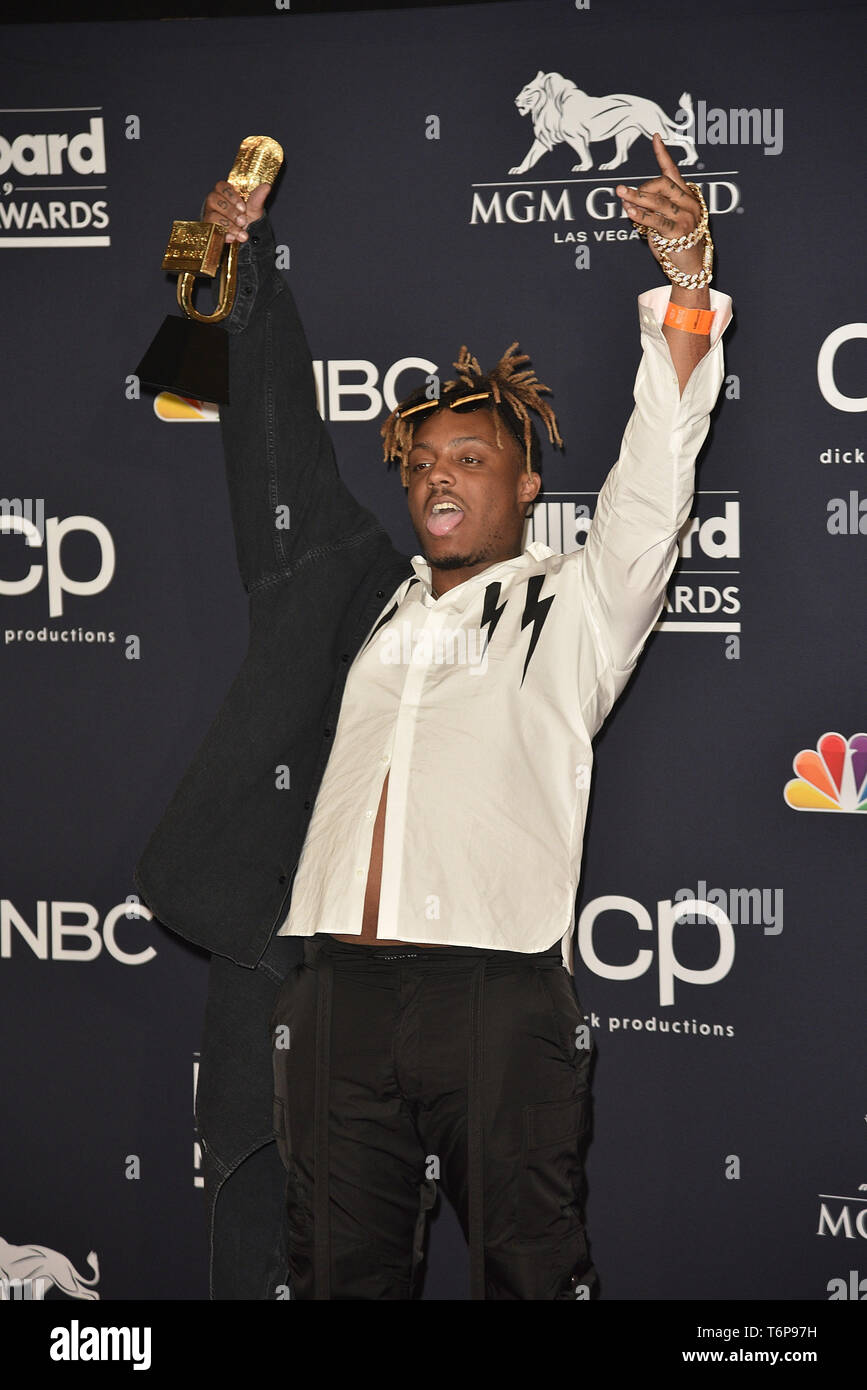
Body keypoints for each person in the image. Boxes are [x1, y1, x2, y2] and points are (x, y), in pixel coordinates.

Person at [133, 133, 732, 1299]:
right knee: (335, 1281)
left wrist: (689, 280)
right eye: (421, 463)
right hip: (329, 997)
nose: (439, 476)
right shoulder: (360, 606)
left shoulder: (576, 605)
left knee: (528, 1273)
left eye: (472, 456)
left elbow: (657, 478)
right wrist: (243, 278)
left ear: (526, 489)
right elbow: (287, 453)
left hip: (495, 996)